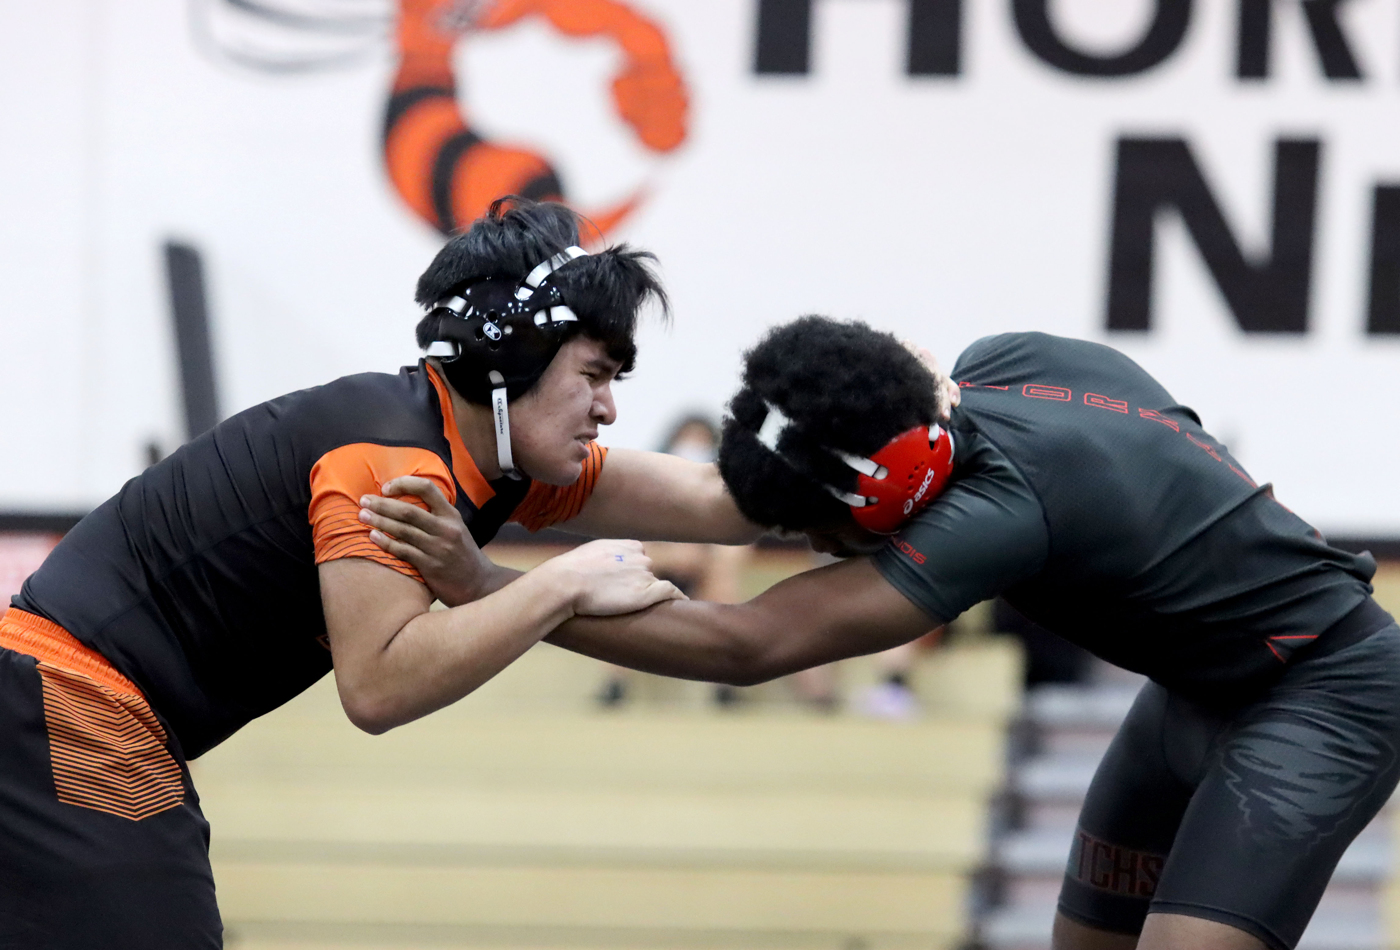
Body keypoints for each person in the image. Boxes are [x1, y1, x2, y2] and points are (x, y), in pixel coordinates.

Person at [371, 317, 1399, 950]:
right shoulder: (1004, 362)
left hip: (1327, 689)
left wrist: (497, 589)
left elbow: (747, 644)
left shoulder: (995, 515)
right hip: (1196, 688)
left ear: (891, 496)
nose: (818, 549)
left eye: (824, 534)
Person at [0, 198, 757, 949]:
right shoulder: (389, 453)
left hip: (62, 702)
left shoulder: (495, 459)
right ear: (512, 356)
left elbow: (715, 499)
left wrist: (830, 468)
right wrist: (560, 584)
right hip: (71, 702)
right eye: (593, 374)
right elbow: (379, 686)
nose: (608, 409)